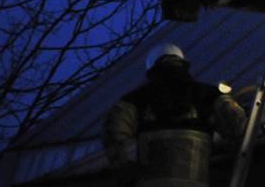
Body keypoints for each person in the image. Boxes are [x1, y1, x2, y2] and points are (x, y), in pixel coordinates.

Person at [103, 44, 246, 187]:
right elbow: (237, 124)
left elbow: (115, 137)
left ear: (151, 69)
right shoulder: (208, 94)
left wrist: (127, 172)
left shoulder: (134, 100)